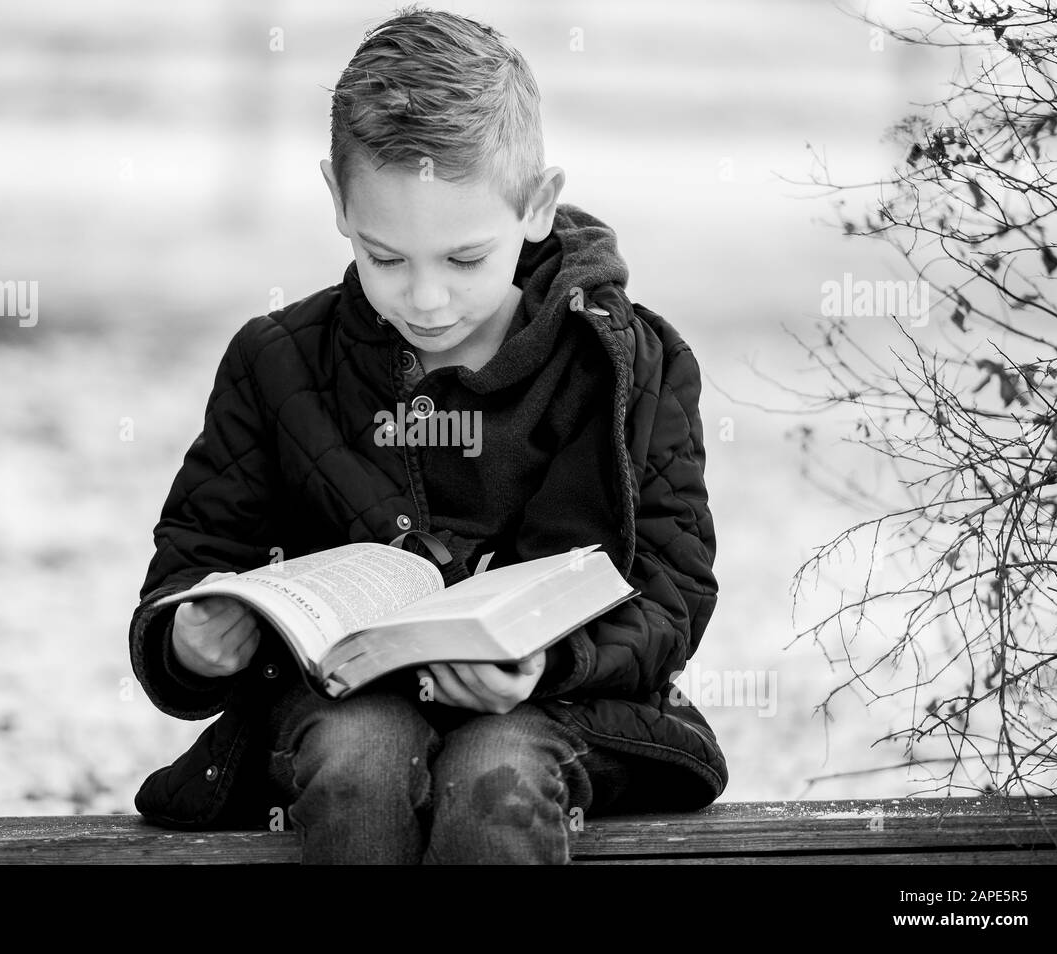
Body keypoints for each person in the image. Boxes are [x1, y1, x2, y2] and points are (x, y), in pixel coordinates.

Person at [128, 5, 727, 864]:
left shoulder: (629, 362)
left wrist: (547, 668)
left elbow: (675, 589)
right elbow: (192, 560)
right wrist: (191, 644)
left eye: (463, 260)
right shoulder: (278, 363)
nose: (426, 300)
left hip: (558, 709)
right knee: (357, 756)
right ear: (337, 202)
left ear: (537, 206)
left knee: (499, 772)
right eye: (385, 257)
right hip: (344, 705)